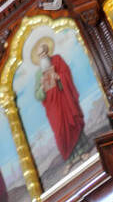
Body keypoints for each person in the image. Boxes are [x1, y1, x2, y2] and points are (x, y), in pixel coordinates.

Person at [32, 40, 90, 168]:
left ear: (47, 52)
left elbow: (66, 73)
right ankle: (69, 159)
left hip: (64, 100)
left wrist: (59, 77)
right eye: (39, 55)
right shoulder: (38, 74)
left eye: (43, 53)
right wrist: (42, 87)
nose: (42, 56)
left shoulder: (57, 60)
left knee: (72, 123)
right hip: (53, 108)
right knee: (60, 132)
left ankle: (82, 152)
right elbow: (37, 95)